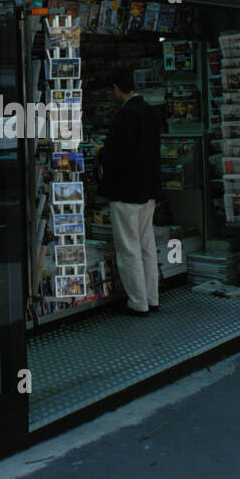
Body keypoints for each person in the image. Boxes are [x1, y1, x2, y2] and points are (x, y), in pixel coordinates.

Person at [98, 67, 163, 316]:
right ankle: (152, 298)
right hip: (148, 191)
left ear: (116, 88)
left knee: (128, 247)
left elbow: (118, 155)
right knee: (146, 244)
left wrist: (101, 154)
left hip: (127, 191)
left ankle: (138, 302)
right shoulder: (149, 112)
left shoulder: (127, 115)